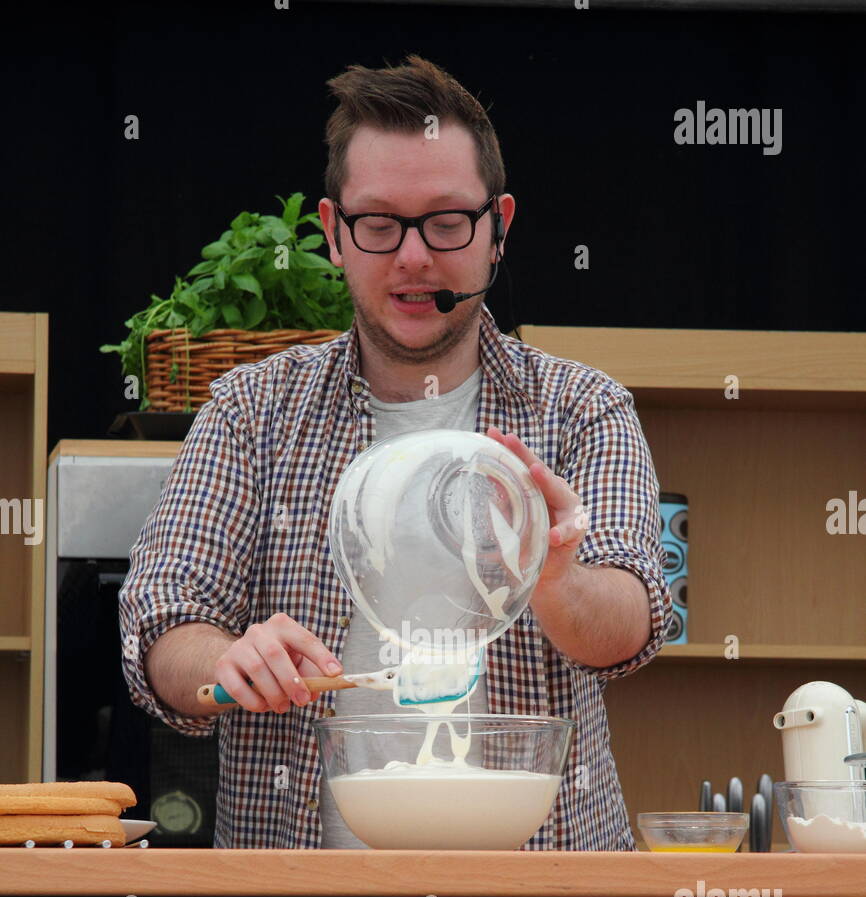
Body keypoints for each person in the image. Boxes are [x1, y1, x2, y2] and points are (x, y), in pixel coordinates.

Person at [119, 54, 672, 851]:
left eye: (447, 222)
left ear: (498, 229)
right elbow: (162, 625)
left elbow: (632, 620)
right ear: (334, 233)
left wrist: (556, 580)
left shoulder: (583, 407)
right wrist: (233, 657)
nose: (414, 259)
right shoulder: (251, 410)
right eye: (379, 225)